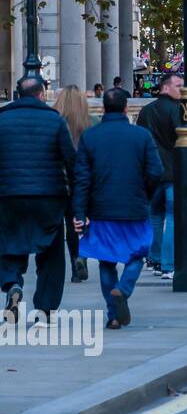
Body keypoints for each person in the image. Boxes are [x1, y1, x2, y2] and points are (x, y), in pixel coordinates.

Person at [72, 87, 162, 329]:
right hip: (134, 207)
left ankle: (113, 315)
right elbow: (156, 172)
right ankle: (123, 289)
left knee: (106, 260)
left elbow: (81, 180)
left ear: (102, 109)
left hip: (101, 210)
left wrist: (79, 213)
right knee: (138, 254)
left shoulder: (90, 137)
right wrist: (145, 195)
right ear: (125, 109)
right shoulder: (141, 136)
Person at [0, 75, 76, 324]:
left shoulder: (2, 119)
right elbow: (70, 159)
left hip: (9, 195)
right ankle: (44, 308)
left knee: (9, 245)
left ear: (17, 94)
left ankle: (12, 284)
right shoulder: (54, 121)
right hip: (49, 196)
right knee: (51, 252)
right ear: (42, 94)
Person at [135, 71, 182, 279]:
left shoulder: (145, 111)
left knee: (155, 216)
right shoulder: (177, 110)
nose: (182, 90)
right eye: (178, 86)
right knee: (173, 217)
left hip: (152, 173)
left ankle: (153, 259)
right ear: (165, 87)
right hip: (172, 171)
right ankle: (169, 264)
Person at [54, 84, 98, 283]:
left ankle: (73, 263)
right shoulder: (93, 123)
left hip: (59, 180)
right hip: (86, 181)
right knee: (82, 220)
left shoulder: (55, 123)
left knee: (65, 225)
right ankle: (82, 255)